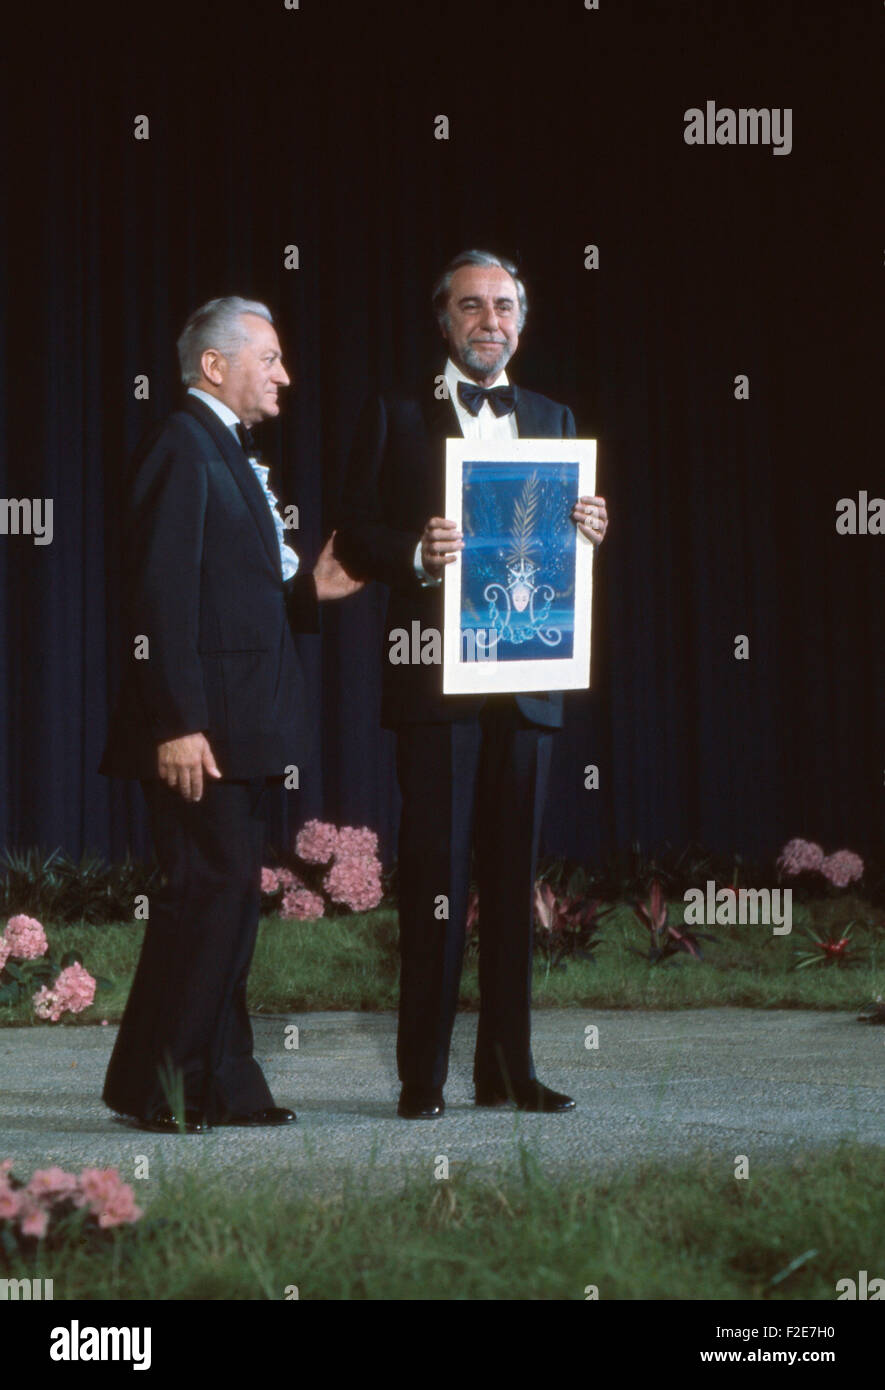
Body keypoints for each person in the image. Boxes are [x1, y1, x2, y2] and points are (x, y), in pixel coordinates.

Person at [334, 250, 609, 1119]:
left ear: (520, 323)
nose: (488, 321)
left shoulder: (554, 415)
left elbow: (560, 549)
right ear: (443, 321)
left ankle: (507, 1072)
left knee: (512, 874)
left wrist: (591, 529)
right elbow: (353, 537)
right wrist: (416, 550)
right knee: (436, 881)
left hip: (528, 685)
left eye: (503, 307)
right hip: (436, 685)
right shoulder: (393, 415)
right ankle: (422, 1079)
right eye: (470, 307)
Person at [99, 296, 360, 1133]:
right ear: (216, 366)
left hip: (234, 728)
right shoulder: (182, 446)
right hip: (198, 732)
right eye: (271, 358)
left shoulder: (219, 448)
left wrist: (307, 593)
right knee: (208, 899)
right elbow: (158, 596)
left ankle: (218, 1086)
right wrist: (176, 721)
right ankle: (168, 1093)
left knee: (222, 903)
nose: (285, 375)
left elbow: (231, 596)